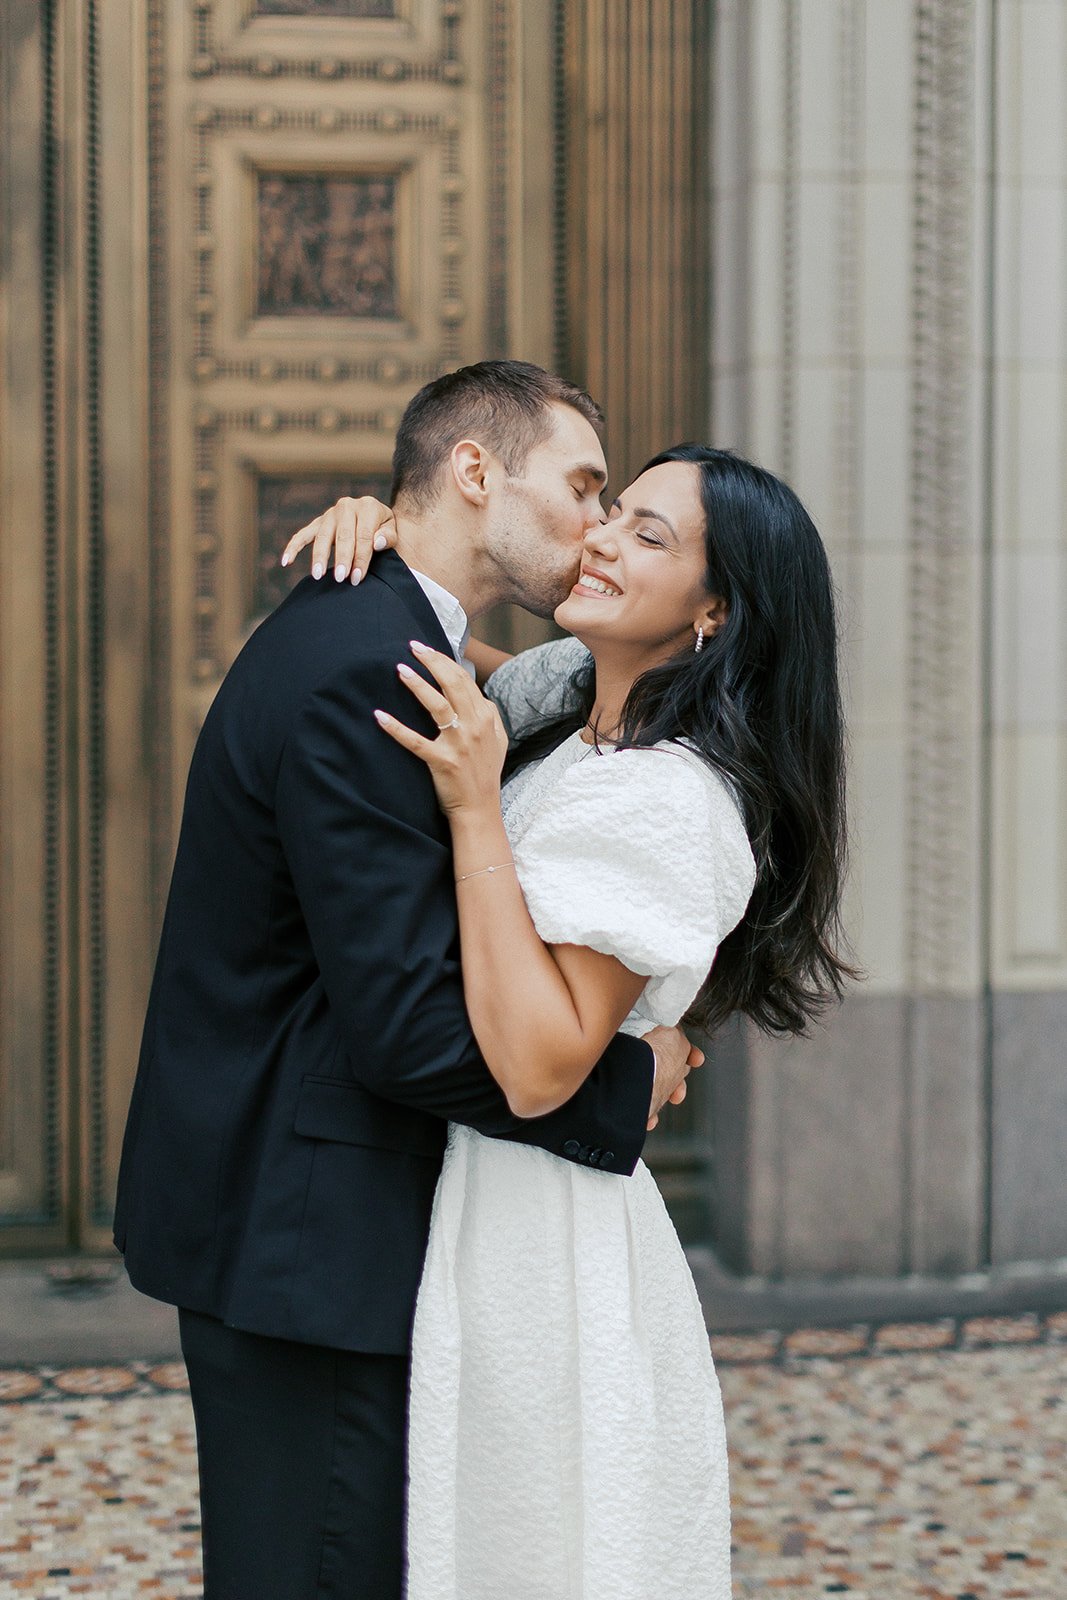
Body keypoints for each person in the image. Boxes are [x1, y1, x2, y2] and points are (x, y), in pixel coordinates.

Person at [113, 360, 701, 1600]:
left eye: (623, 512)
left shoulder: (417, 647)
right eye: (585, 486)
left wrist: (386, 528)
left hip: (321, 1223)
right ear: (477, 472)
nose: (597, 525)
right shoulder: (367, 666)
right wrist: (625, 1084)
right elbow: (403, 1028)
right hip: (306, 1233)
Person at [287, 434, 856, 1597]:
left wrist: (471, 814)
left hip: (537, 1240)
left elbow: (543, 1064)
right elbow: (448, 651)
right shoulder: (577, 713)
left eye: (647, 535)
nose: (599, 536)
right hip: (490, 1205)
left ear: (713, 614)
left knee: (529, 1547)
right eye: (612, 511)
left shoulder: (659, 792)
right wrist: (397, 532)